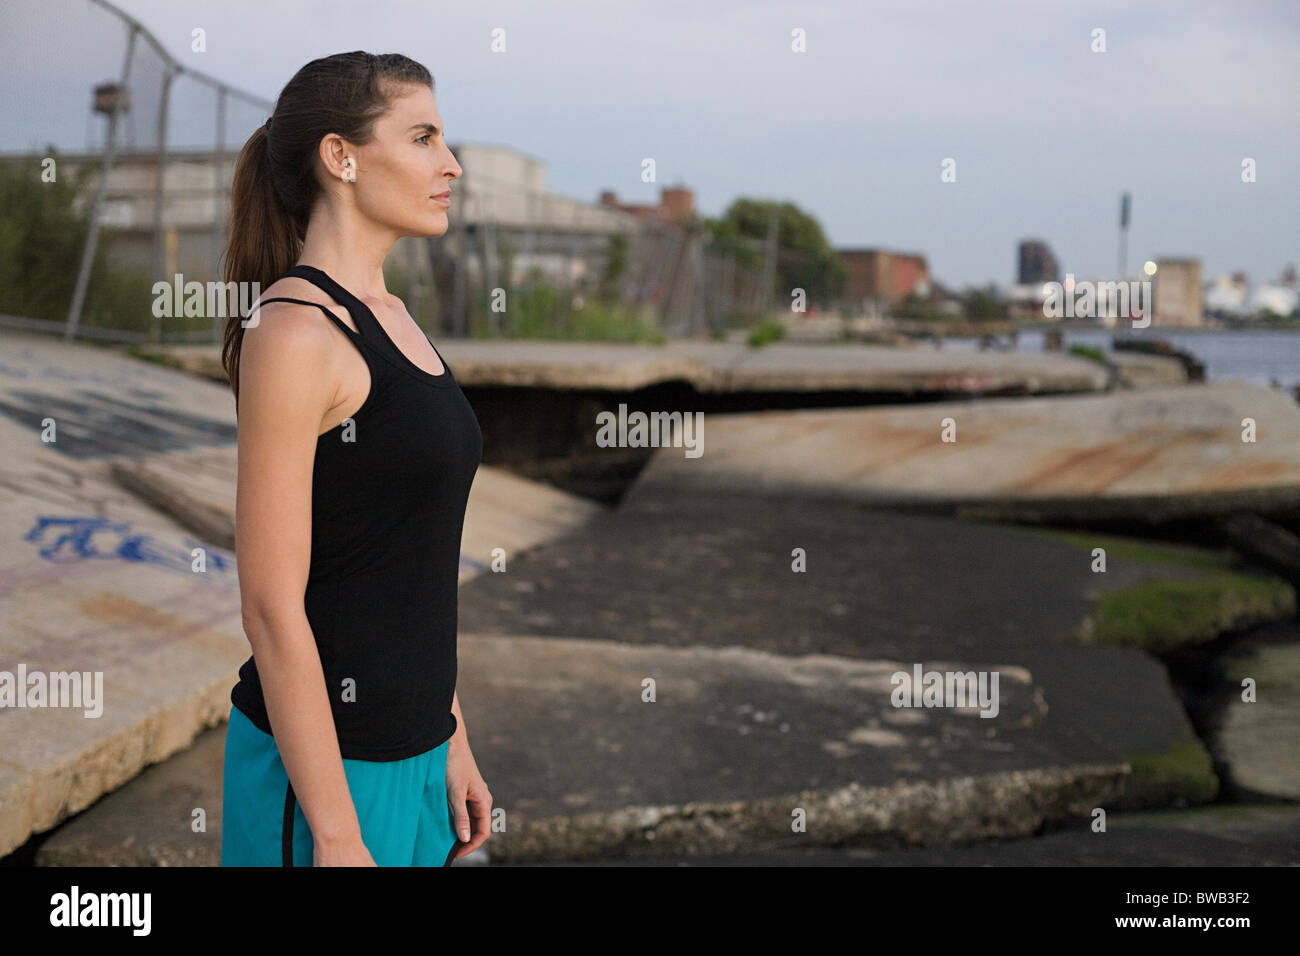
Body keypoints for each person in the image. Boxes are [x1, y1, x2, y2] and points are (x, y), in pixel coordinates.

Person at [217, 51, 490, 866]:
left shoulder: (397, 316)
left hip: (414, 758)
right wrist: (337, 835)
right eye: (422, 138)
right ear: (342, 157)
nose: (451, 164)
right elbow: (270, 604)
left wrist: (452, 736)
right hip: (324, 780)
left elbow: (409, 563)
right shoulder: (295, 333)